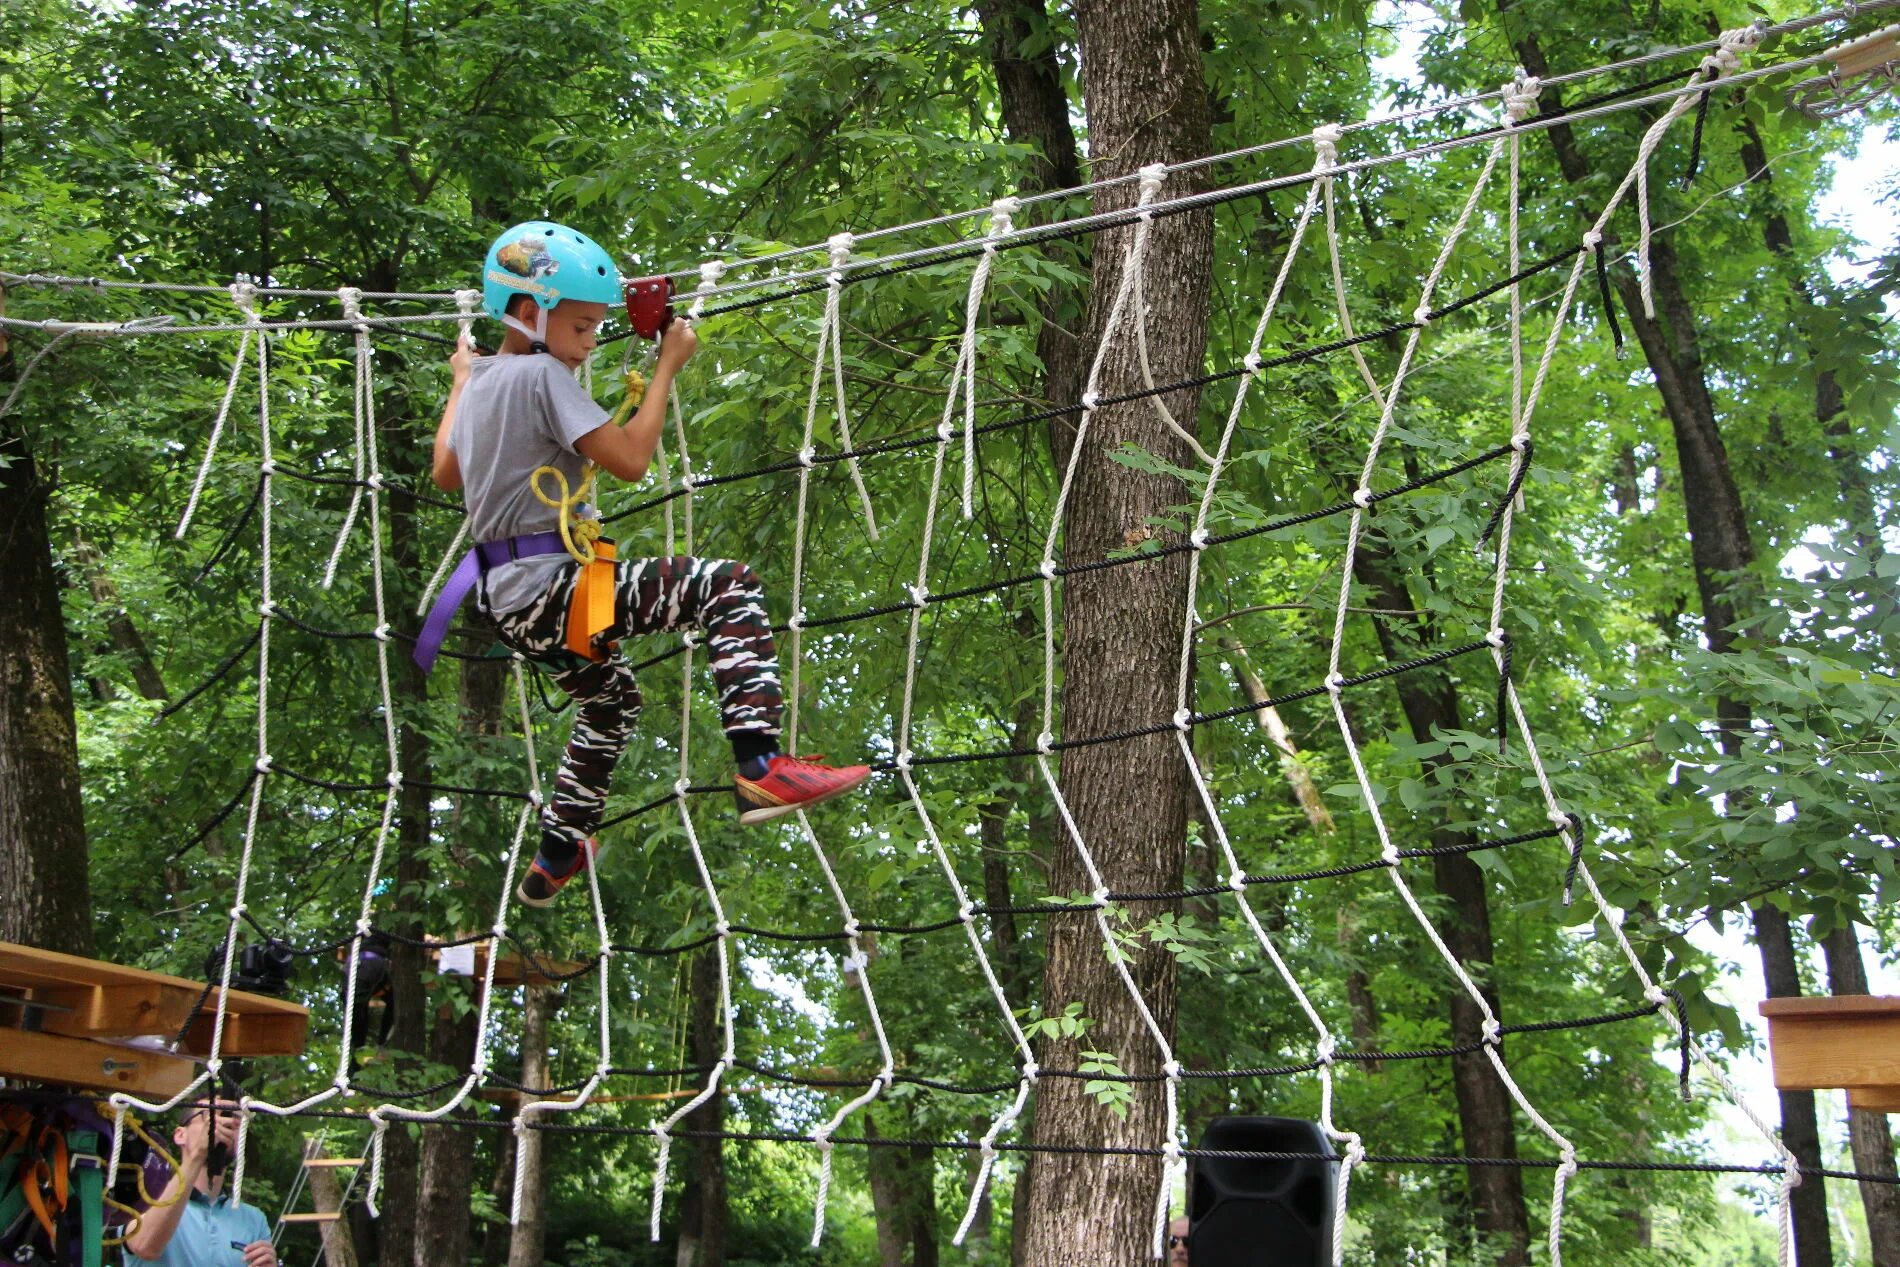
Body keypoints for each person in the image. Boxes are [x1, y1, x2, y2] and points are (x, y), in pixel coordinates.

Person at [420, 221, 871, 907]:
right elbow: (629, 460)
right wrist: (668, 365)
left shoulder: (483, 378)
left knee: (611, 703)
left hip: (512, 605)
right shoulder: (541, 374)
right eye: (580, 327)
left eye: (597, 327)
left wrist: (460, 377)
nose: (591, 342)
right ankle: (759, 763)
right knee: (727, 586)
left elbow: (446, 472)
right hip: (556, 592)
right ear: (527, 312)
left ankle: (559, 850)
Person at [122, 1101, 277, 1267]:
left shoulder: (253, 1219)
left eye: (235, 1118)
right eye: (210, 1115)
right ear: (180, 1135)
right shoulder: (145, 1199)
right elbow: (143, 1246)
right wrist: (197, 1154)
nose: (225, 1123)